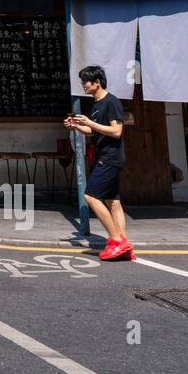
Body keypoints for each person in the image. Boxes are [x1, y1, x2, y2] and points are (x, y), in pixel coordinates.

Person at [64, 65, 132, 261]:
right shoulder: (95, 105)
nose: (83, 85)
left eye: (85, 81)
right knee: (113, 201)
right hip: (104, 155)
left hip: (110, 158)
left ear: (97, 82)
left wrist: (91, 123)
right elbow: (93, 132)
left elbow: (117, 131)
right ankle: (124, 244)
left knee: (90, 196)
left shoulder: (112, 102)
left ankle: (116, 240)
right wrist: (77, 126)